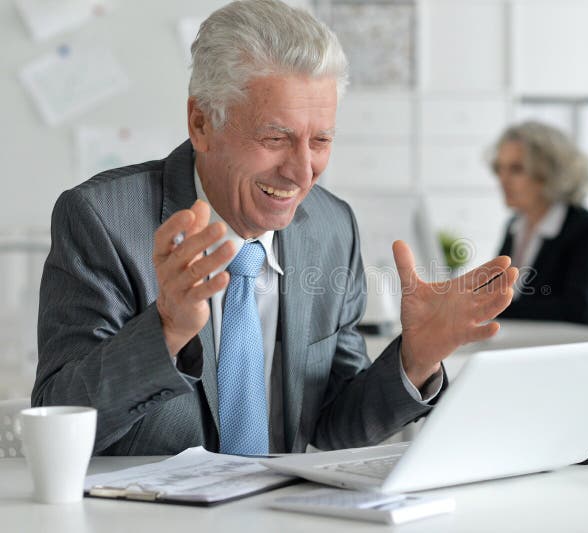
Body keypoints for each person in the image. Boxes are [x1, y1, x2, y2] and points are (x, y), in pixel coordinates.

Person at [32, 0, 517, 456]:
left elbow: (332, 423)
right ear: (201, 123)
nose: (303, 171)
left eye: (321, 140)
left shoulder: (331, 227)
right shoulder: (102, 219)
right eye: (275, 138)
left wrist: (416, 359)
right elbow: (59, 421)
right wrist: (166, 331)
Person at [491, 121, 588, 331]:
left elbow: (580, 310)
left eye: (516, 169)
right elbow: (499, 293)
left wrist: (494, 309)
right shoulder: (515, 226)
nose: (502, 179)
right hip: (535, 343)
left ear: (548, 173)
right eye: (500, 168)